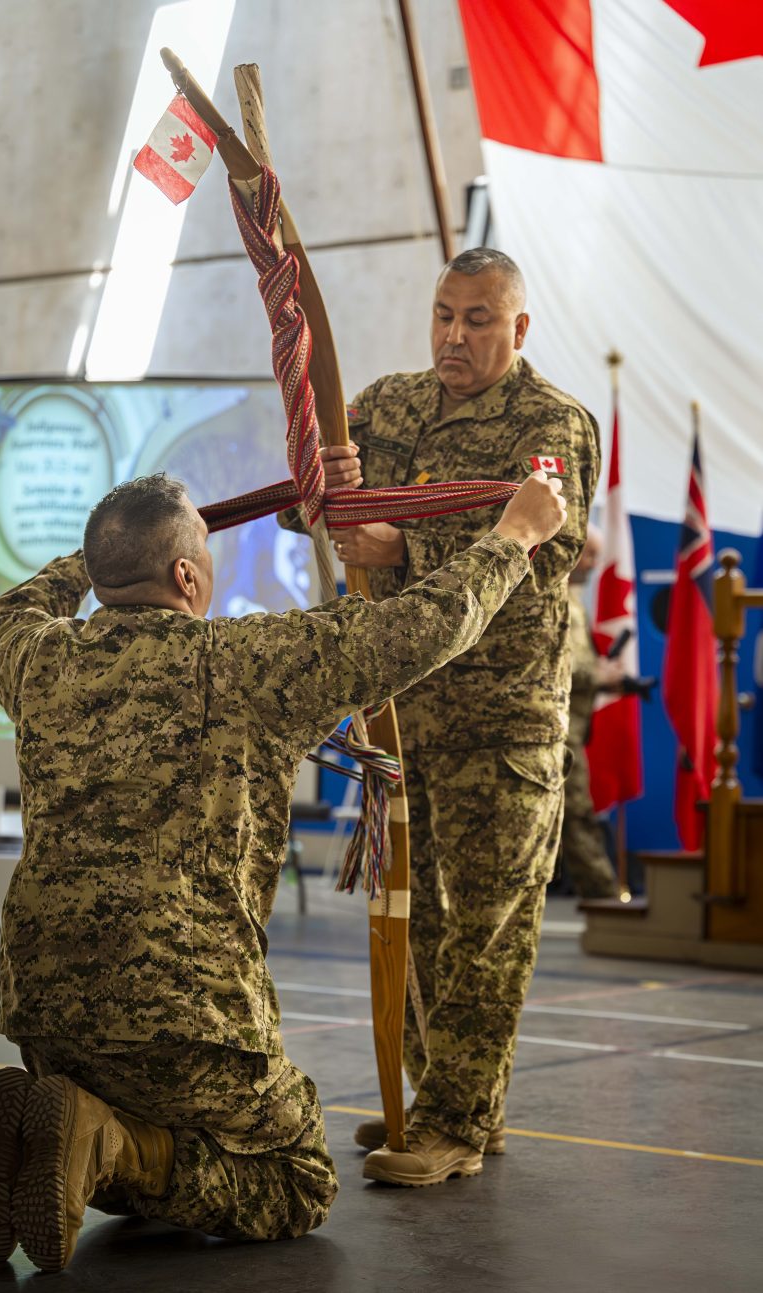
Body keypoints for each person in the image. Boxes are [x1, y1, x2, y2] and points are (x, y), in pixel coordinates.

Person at [0, 468, 566, 1269]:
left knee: (120, 1126)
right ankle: (108, 1143)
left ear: (102, 569)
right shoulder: (248, 662)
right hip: (184, 1018)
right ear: (186, 576)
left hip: (46, 1016)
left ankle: (69, 1120)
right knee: (293, 1177)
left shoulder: (37, 657)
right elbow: (422, 625)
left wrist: (99, 555)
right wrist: (514, 534)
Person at [305, 247, 600, 1185]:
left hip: (503, 722)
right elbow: (311, 501)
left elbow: (545, 555)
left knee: (487, 926)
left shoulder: (551, 424)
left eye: (478, 320)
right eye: (443, 314)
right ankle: (447, 1099)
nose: (454, 336)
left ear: (518, 328)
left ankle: (454, 1121)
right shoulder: (388, 404)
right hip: (405, 715)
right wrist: (325, 481)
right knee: (419, 923)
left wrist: (403, 543)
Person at [560, 525, 623, 898]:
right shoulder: (552, 600)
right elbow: (553, 664)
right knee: (578, 816)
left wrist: (603, 677)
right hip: (558, 729)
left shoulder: (574, 601)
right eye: (589, 554)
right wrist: (596, 675)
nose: (595, 564)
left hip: (574, 727)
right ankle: (604, 898)